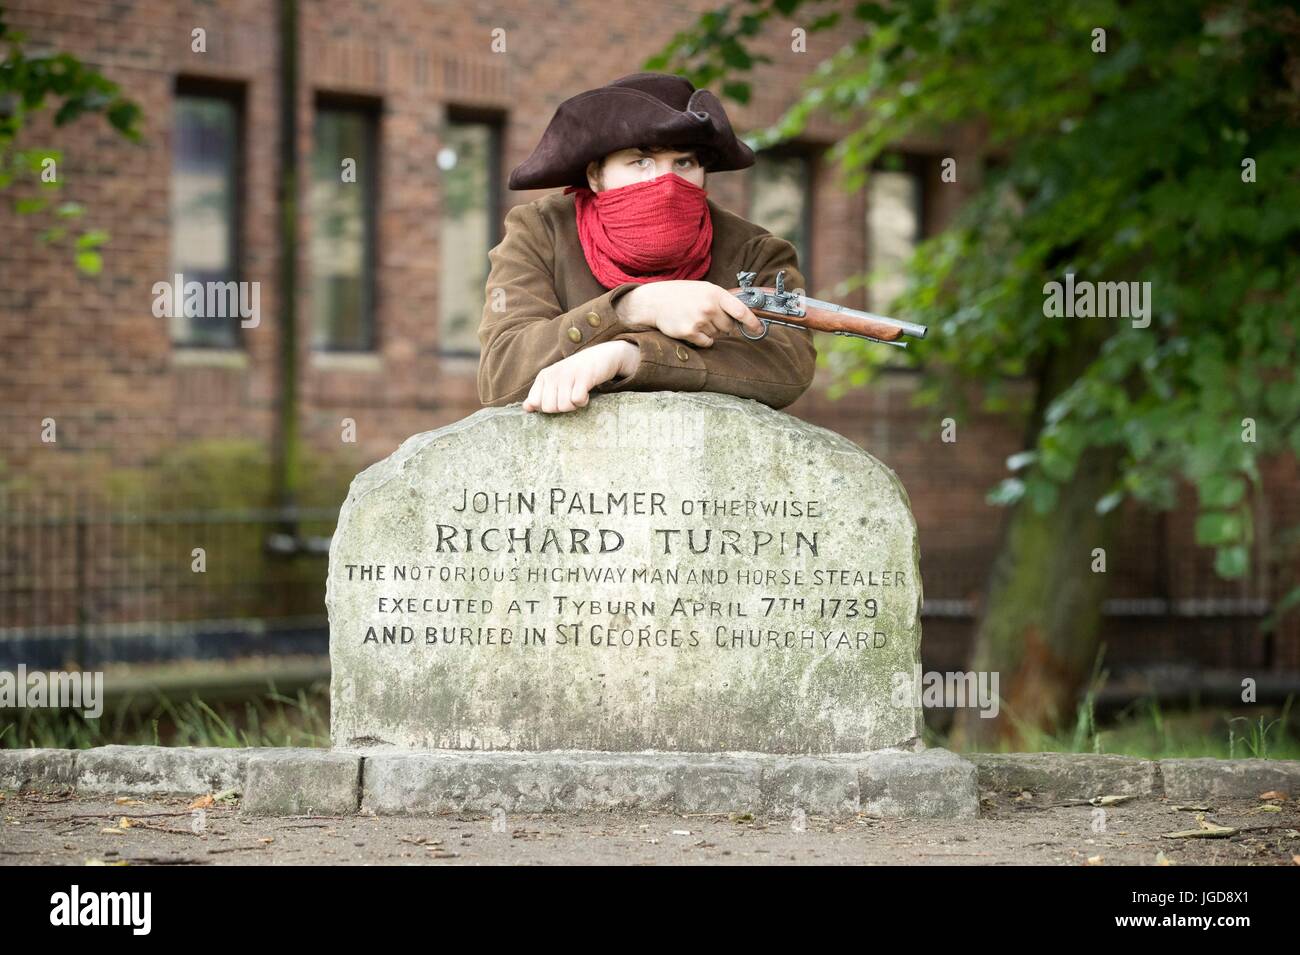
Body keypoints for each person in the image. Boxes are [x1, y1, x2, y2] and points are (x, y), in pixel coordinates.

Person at [477, 71, 817, 414]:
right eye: (641, 162)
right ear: (595, 175)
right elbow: (502, 372)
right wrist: (631, 307)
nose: (666, 183)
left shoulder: (755, 250)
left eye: (683, 162)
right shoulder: (540, 230)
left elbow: (787, 364)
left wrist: (631, 355)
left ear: (703, 173)